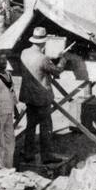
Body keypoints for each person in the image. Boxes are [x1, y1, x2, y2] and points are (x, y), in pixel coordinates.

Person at [18, 27, 63, 163]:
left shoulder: (24, 53)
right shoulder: (43, 59)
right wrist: (62, 60)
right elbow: (57, 71)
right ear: (44, 43)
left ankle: (28, 154)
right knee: (46, 127)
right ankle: (47, 156)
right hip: (42, 98)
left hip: (29, 96)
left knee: (30, 126)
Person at [0, 53, 18, 167]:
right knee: (0, 143)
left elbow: (12, 93)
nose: (5, 62)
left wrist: (15, 108)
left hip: (9, 111)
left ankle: (9, 167)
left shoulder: (8, 75)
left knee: (10, 141)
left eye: (5, 59)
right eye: (1, 59)